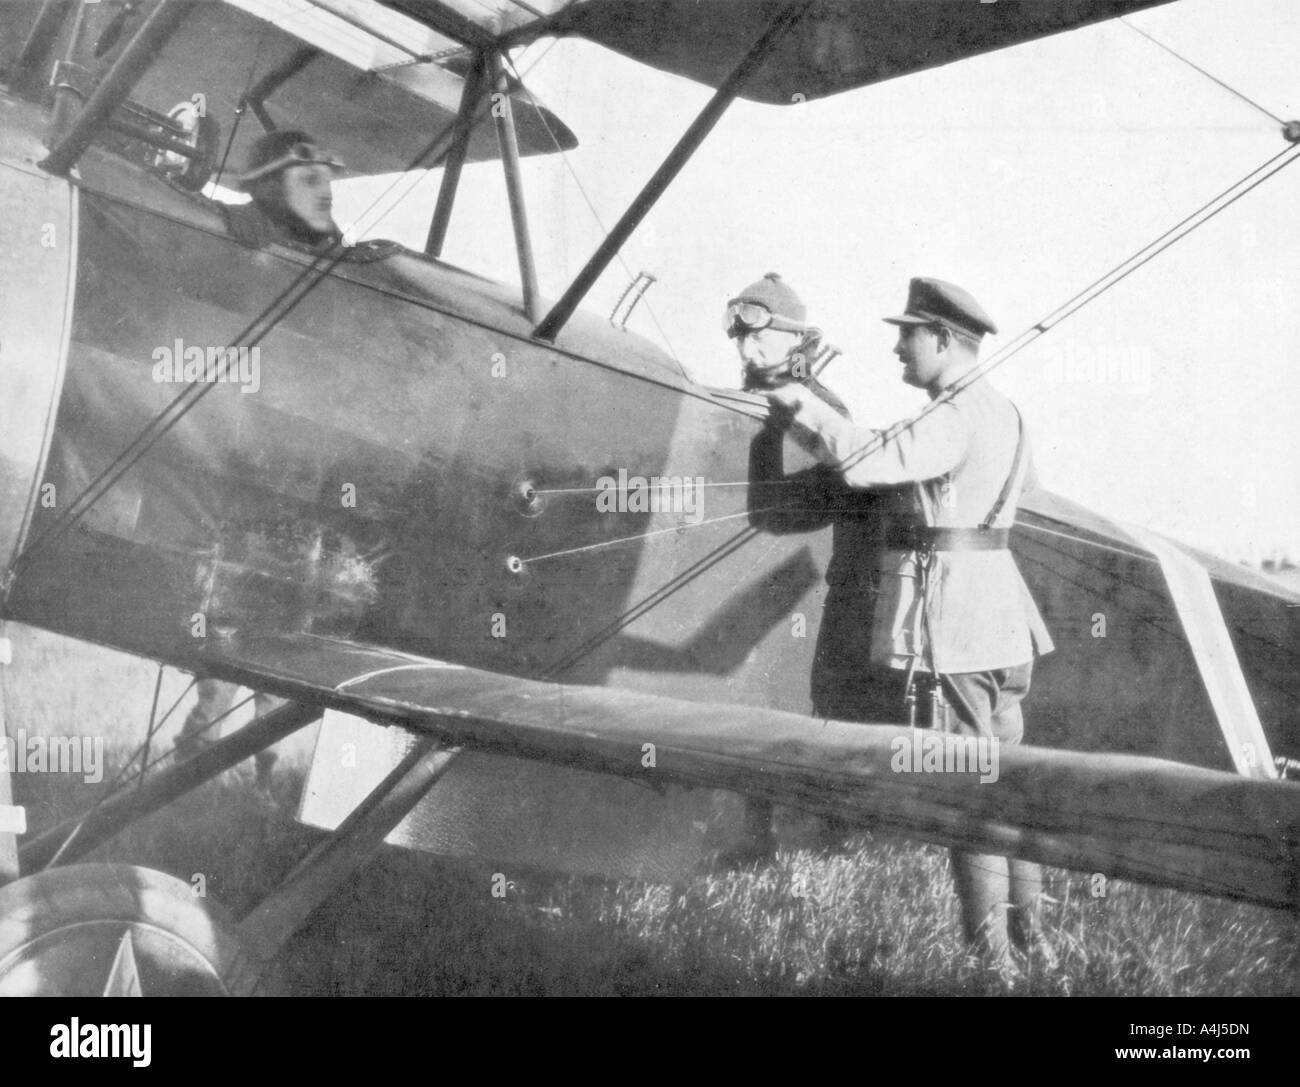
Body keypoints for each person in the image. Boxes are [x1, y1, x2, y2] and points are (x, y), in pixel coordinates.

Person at [764, 277, 1055, 976]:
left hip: (956, 628)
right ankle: (1038, 945)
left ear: (945, 341)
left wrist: (799, 405)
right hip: (1006, 622)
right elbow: (1020, 489)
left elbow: (866, 461)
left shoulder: (952, 414)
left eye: (909, 334)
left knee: (968, 791)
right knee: (1006, 783)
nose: (897, 345)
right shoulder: (1006, 411)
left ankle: (994, 966)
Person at [726, 273, 901, 857]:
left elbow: (777, 514)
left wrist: (766, 434)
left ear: (795, 342)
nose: (745, 350)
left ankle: (837, 844)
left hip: (859, 598)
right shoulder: (785, 401)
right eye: (740, 339)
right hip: (850, 596)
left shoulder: (814, 410)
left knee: (839, 714)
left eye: (757, 338)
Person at [224, 129, 346, 250]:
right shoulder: (226, 230)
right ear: (271, 187)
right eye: (311, 180)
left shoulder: (342, 256)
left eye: (329, 182)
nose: (327, 193)